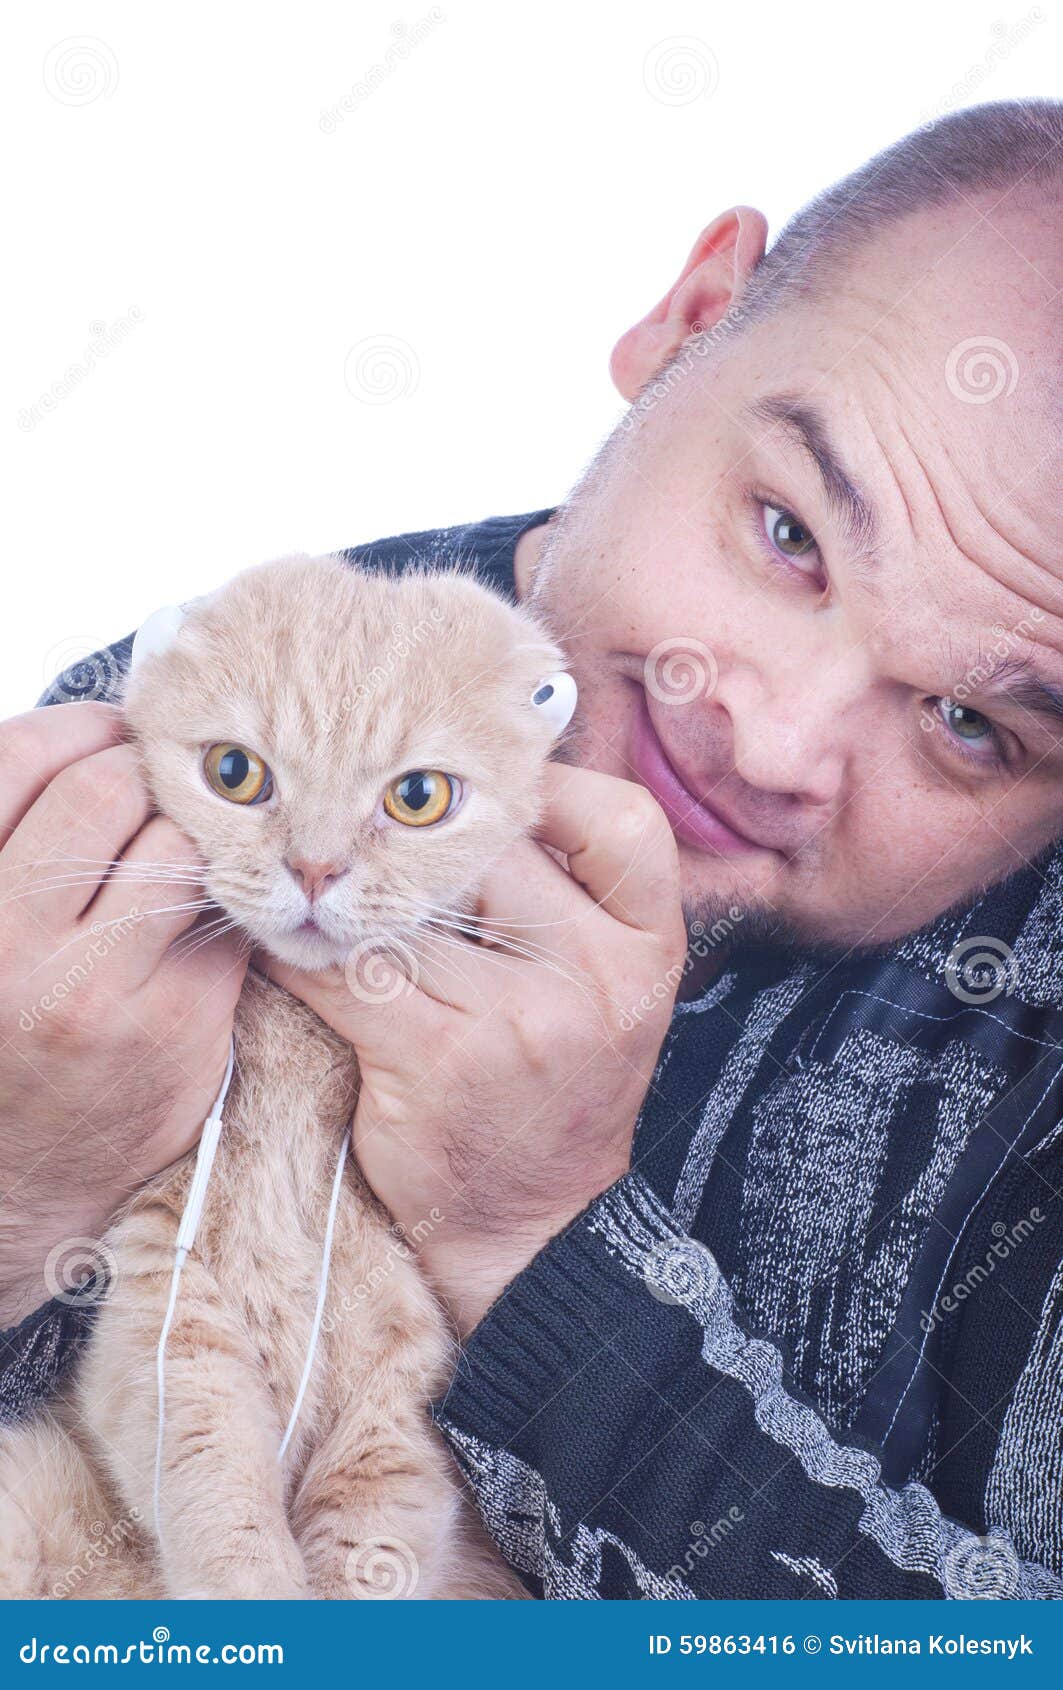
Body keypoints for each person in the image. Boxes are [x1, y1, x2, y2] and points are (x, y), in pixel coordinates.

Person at [3, 99, 1062, 1599]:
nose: (774, 743)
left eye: (966, 721)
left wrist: (536, 1246)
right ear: (689, 318)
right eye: (788, 534)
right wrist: (21, 1196)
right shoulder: (178, 746)